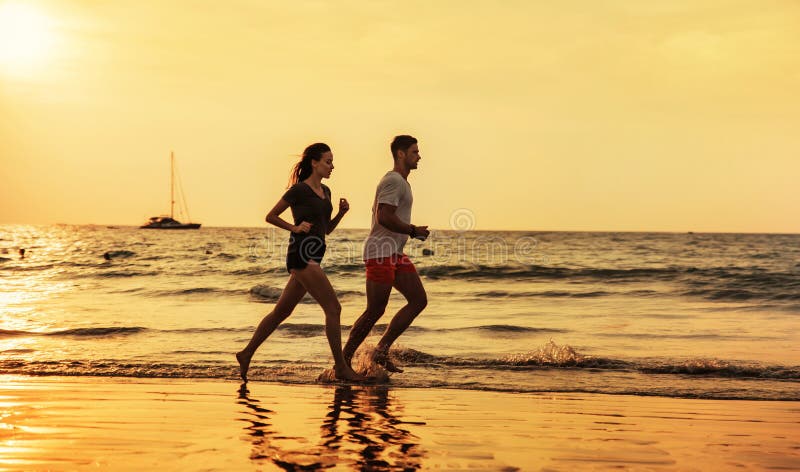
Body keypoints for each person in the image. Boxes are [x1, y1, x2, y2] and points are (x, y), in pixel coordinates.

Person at [237, 143, 366, 382]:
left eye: (332, 161)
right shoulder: (298, 191)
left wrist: (341, 213)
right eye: (328, 161)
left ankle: (246, 354)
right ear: (314, 163)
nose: (332, 166)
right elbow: (271, 215)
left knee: (281, 311)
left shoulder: (326, 191)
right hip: (302, 255)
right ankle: (341, 367)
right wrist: (294, 227)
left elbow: (325, 229)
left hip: (315, 254)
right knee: (334, 308)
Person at [343, 135, 430, 373]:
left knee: (418, 300)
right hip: (380, 252)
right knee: (375, 310)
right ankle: (343, 361)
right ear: (400, 154)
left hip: (394, 253)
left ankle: (380, 351)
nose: (419, 156)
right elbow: (384, 216)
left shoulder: (402, 182)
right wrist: (412, 230)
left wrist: (410, 233)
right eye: (414, 152)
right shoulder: (394, 181)